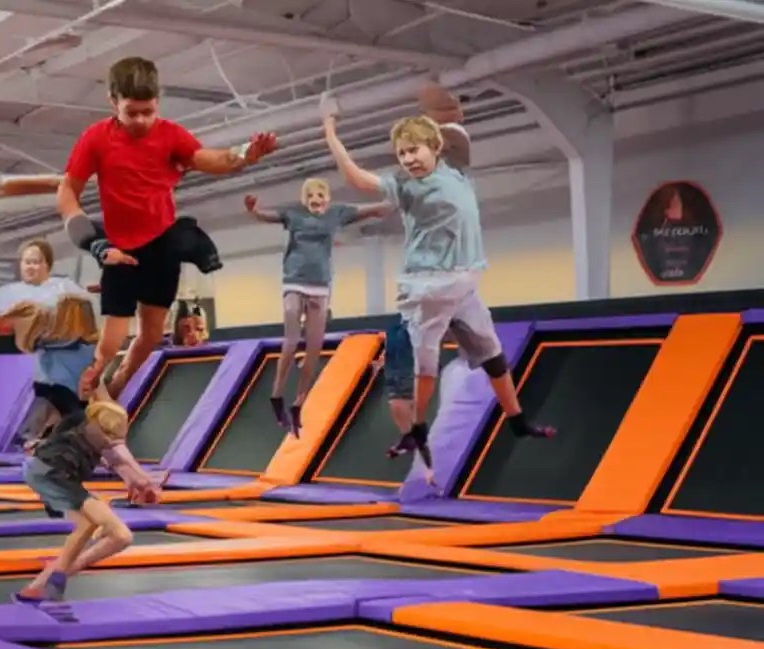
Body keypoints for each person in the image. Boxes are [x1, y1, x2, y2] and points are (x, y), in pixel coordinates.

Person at [319, 84, 554, 461]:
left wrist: (442, 108)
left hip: (465, 283)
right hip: (428, 285)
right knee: (426, 362)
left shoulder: (458, 173)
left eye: (414, 150)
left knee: (492, 354)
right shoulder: (405, 186)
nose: (408, 159)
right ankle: (416, 430)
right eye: (401, 154)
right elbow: (357, 178)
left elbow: (452, 131)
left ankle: (517, 420)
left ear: (435, 147)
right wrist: (330, 130)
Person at [57, 56, 278, 401]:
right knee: (110, 343)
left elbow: (211, 159)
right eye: (132, 112)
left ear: (158, 102)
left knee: (150, 336)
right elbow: (67, 190)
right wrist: (91, 241)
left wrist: (244, 154)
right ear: (113, 102)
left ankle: (116, 391)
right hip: (120, 250)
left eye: (149, 111)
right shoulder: (96, 139)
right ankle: (84, 396)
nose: (142, 120)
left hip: (161, 245)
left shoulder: (171, 135)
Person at [244, 179, 390, 435]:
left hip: (320, 286)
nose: (316, 200)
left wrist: (390, 202)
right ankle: (277, 395)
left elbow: (368, 209)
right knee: (290, 341)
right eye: (311, 196)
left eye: (320, 195)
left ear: (328, 198)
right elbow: (268, 216)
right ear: (305, 200)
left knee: (314, 348)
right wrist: (254, 210)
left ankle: (299, 402)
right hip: (294, 281)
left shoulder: (337, 213)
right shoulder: (294, 214)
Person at [12, 398, 165, 603]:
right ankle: (57, 575)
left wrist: (138, 482)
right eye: (109, 436)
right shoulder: (82, 425)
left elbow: (118, 462)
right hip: (49, 475)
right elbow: (122, 456)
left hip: (51, 476)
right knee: (120, 535)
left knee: (89, 525)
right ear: (97, 426)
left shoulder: (95, 433)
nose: (112, 441)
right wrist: (147, 481)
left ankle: (35, 589)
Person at [2, 293, 100, 453]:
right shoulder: (92, 347)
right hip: (70, 396)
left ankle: (38, 440)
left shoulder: (43, 344)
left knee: (53, 415)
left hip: (52, 392)